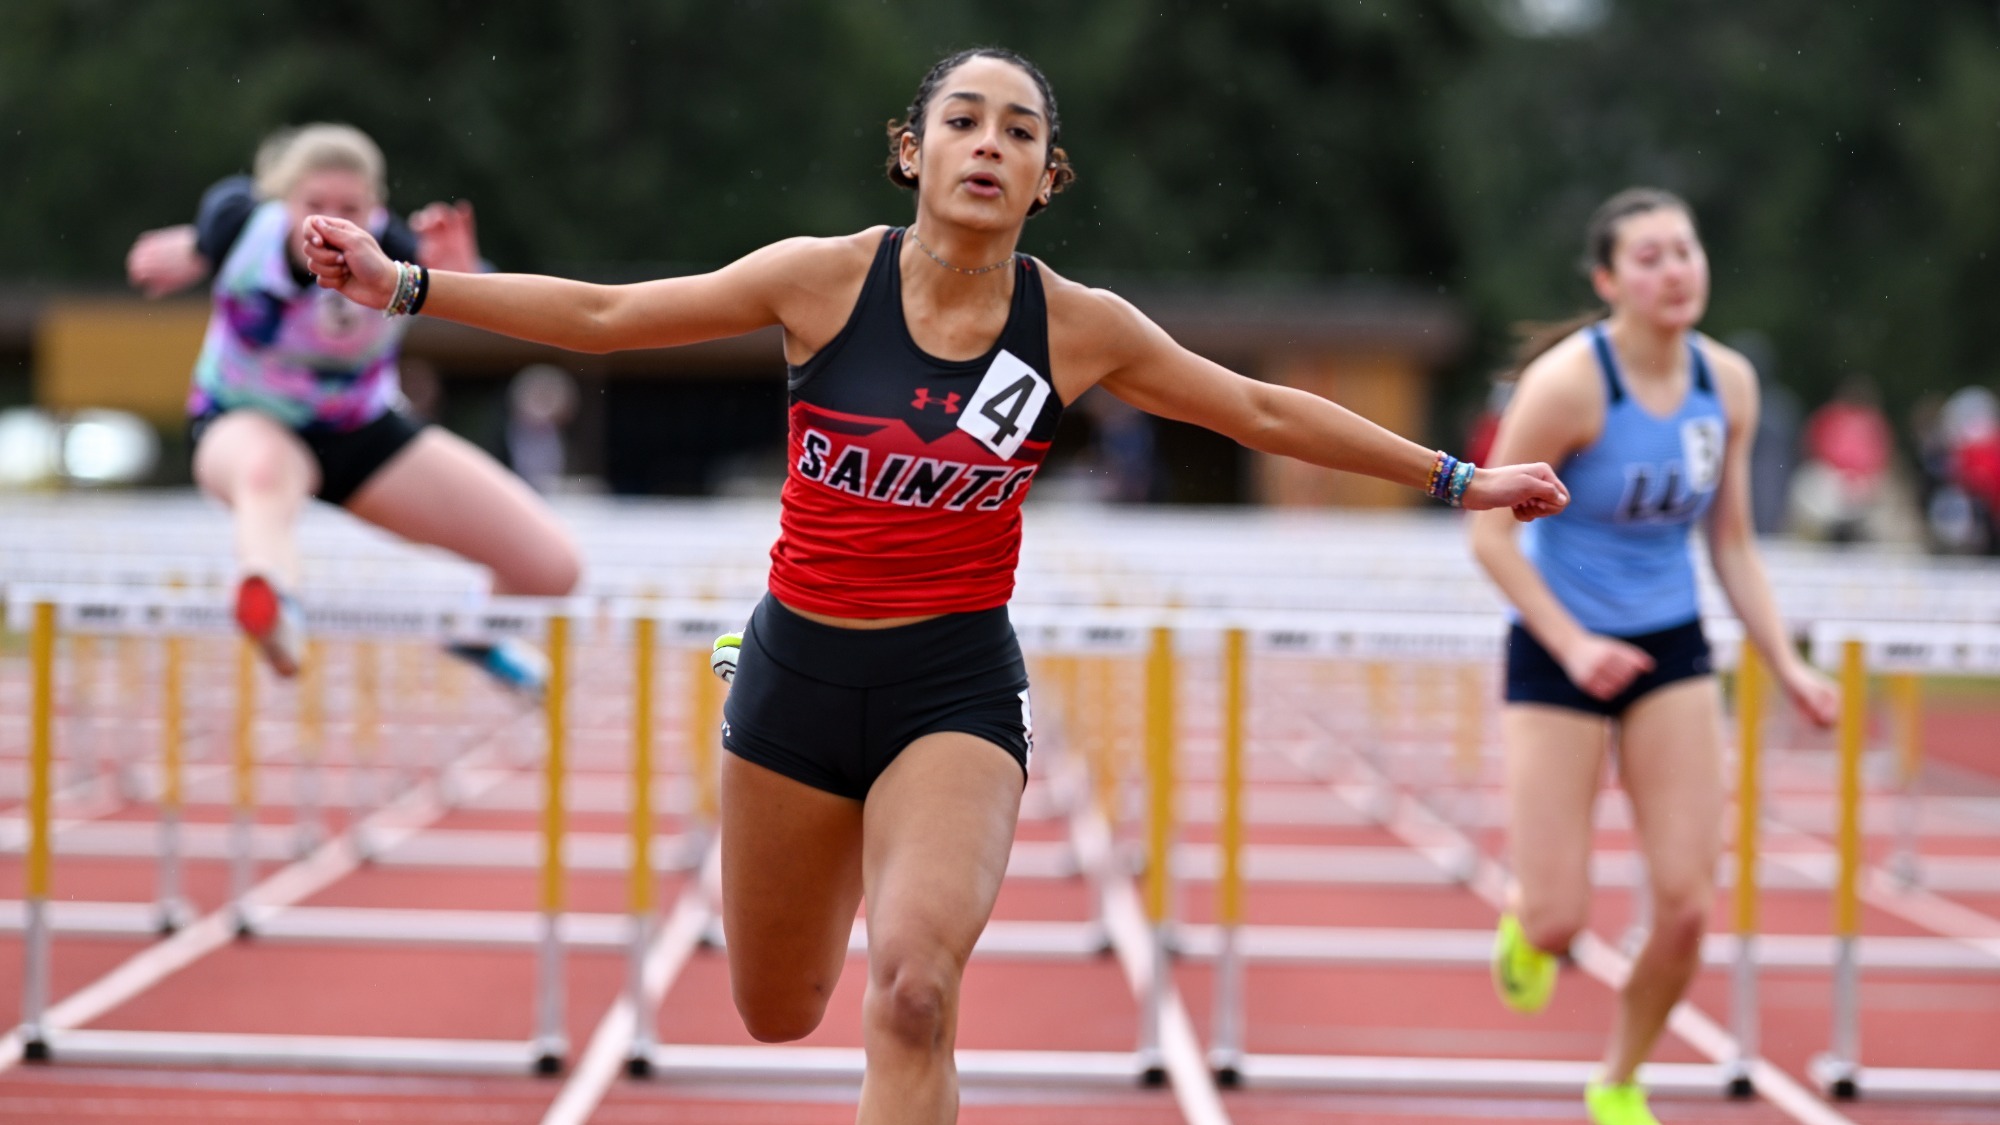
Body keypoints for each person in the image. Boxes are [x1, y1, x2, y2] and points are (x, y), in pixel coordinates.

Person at [299, 48, 1568, 1123]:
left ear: (1044, 178)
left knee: (911, 988)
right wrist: (405, 285)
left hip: (949, 687)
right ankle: (763, 710)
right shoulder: (818, 280)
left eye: (1019, 132)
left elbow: (1252, 407)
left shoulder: (1076, 326)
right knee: (775, 1009)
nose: (987, 144)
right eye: (962, 121)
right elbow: (609, 314)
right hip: (796, 671)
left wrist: (1459, 476)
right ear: (911, 151)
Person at [1469, 188, 1841, 1125]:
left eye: (1686, 250)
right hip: (1561, 646)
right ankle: (1530, 923)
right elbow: (1489, 538)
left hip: (1670, 646)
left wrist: (1789, 667)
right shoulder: (1569, 383)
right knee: (1561, 920)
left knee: (1684, 904)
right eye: (1650, 257)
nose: (1675, 270)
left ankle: (1620, 1077)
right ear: (1608, 280)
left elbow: (1733, 545)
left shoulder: (1730, 384)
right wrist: (1573, 641)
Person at [125, 123, 580, 691]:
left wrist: (468, 277)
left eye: (351, 208)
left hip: (360, 430)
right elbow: (207, 227)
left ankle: (474, 634)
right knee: (267, 471)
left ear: (379, 210)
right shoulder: (238, 224)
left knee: (552, 567)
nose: (330, 222)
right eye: (313, 205)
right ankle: (273, 601)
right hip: (243, 421)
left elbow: (496, 305)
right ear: (282, 204)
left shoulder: (401, 250)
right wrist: (194, 251)